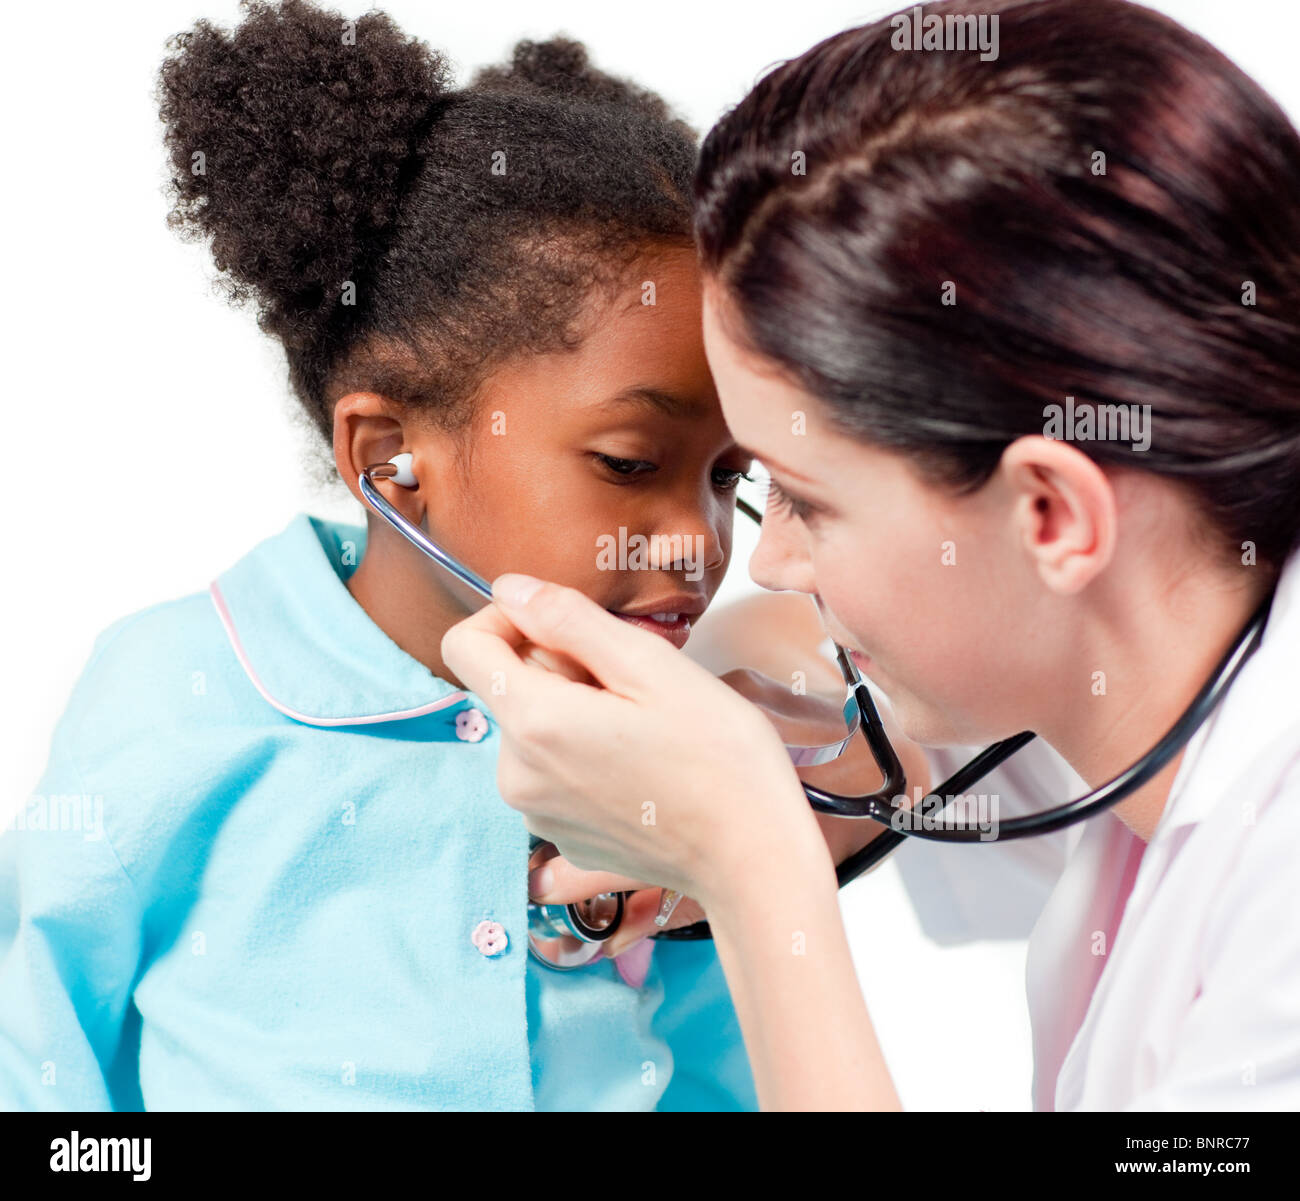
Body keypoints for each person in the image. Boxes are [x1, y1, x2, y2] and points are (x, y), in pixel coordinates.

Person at [0, 0, 920, 1111]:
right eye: (630, 462)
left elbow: (739, 1071)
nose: (699, 541)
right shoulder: (177, 696)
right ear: (391, 461)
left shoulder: (668, 741)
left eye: (731, 476)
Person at [442, 0, 1300, 1110]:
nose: (765, 560)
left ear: (1051, 516)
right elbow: (833, 661)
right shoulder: (1163, 639)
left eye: (802, 499)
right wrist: (786, 746)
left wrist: (748, 869)